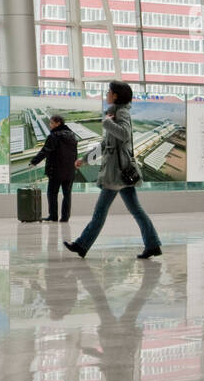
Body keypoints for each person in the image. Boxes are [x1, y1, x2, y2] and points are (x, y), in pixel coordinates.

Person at [64, 81, 162, 260]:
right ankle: (153, 244)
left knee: (101, 211)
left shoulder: (121, 112)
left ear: (116, 95)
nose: (107, 94)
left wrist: (107, 123)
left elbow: (124, 134)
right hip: (119, 172)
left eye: (109, 92)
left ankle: (82, 245)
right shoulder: (115, 112)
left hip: (116, 173)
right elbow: (106, 145)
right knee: (136, 211)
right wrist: (84, 160)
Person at [30, 114, 79, 222]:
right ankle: (65, 217)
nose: (50, 125)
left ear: (58, 123)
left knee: (52, 194)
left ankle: (53, 216)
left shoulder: (54, 136)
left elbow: (45, 151)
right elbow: (75, 154)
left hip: (56, 171)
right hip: (70, 171)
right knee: (67, 194)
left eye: (51, 123)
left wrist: (34, 161)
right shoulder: (72, 135)